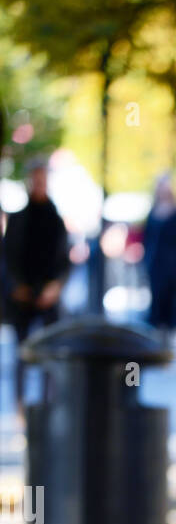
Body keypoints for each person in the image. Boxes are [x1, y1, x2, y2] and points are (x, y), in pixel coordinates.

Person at [3, 159, 70, 410]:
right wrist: (16, 285)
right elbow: (7, 257)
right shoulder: (18, 219)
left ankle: (47, 405)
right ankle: (20, 406)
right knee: (22, 354)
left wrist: (55, 287)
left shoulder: (56, 219)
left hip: (48, 298)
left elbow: (64, 261)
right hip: (22, 298)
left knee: (50, 356)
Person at [142, 175, 176, 333]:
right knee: (157, 307)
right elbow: (147, 239)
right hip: (155, 267)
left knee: (172, 308)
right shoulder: (152, 213)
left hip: (173, 270)